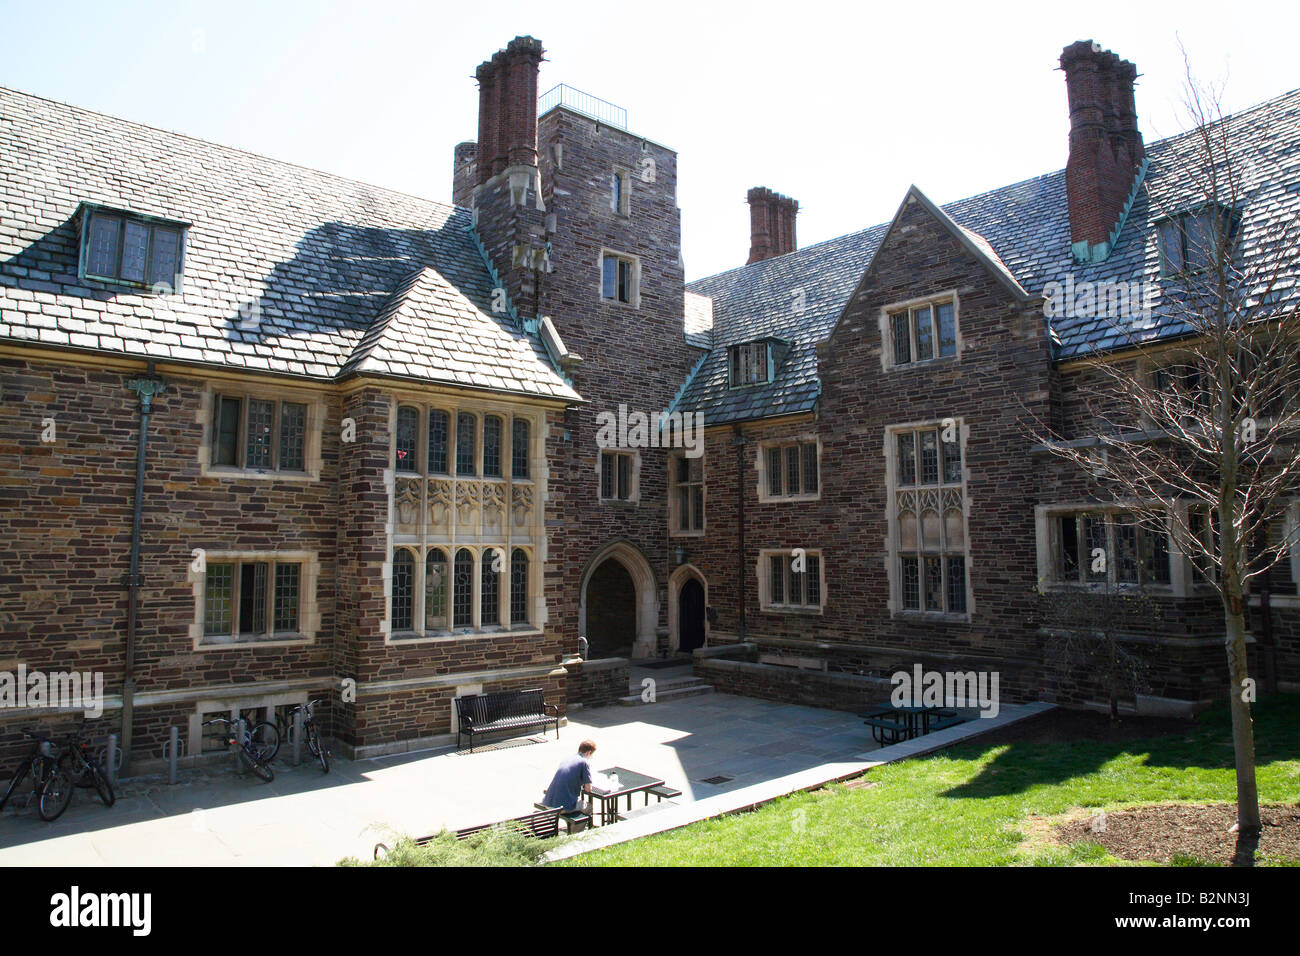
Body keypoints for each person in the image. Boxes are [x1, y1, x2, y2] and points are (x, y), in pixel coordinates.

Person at [542, 739, 596, 813]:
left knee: (578, 803)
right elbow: (588, 789)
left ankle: (571, 823)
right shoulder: (584, 762)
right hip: (562, 806)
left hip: (548, 801)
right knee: (588, 807)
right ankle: (575, 824)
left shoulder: (567, 759)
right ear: (589, 752)